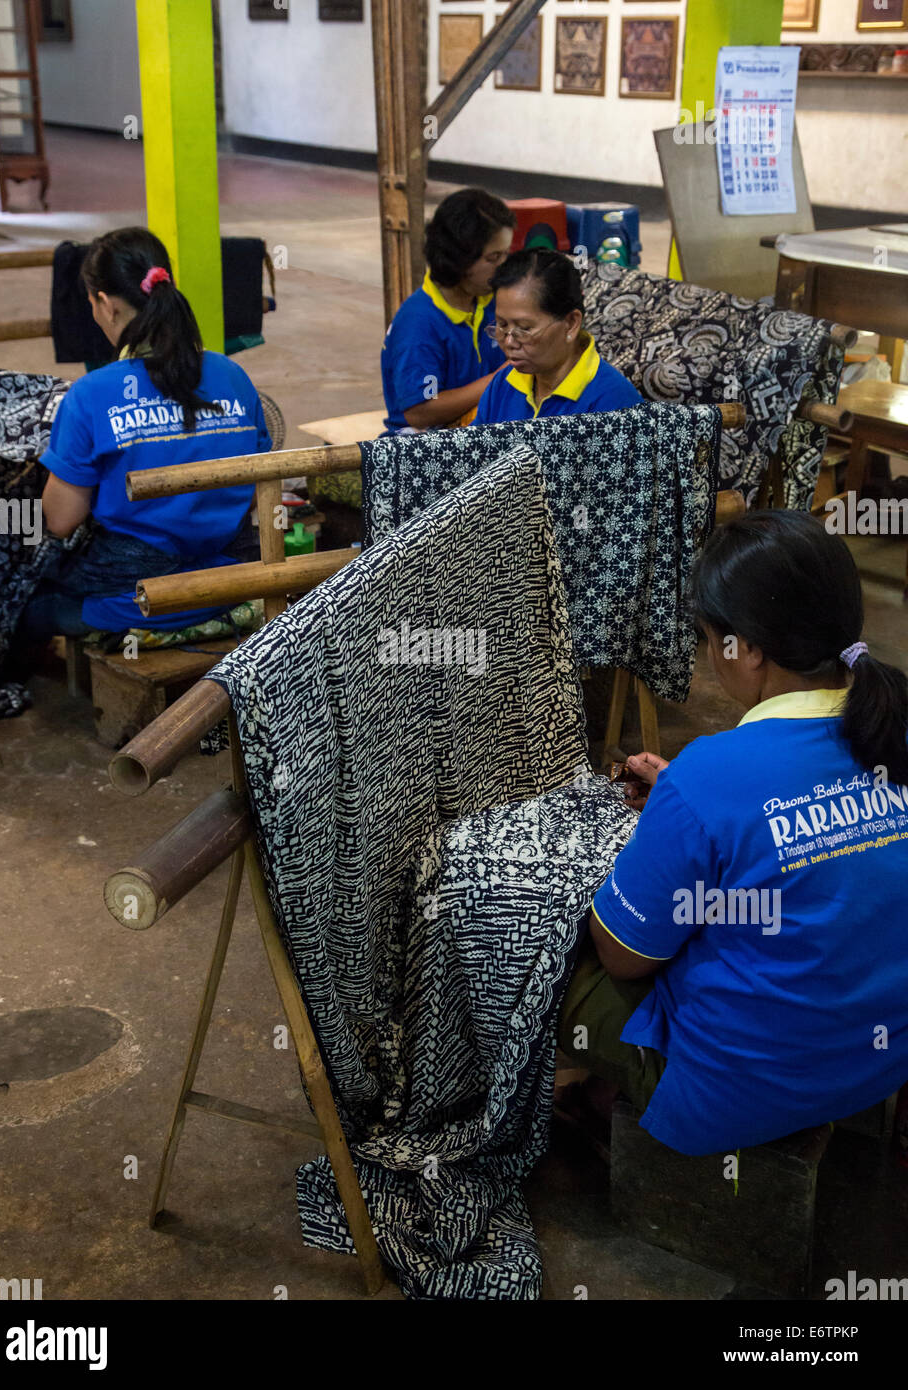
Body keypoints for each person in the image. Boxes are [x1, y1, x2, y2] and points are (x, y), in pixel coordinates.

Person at [557, 510, 908, 1156]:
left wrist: (667, 830)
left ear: (746, 648)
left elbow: (622, 956)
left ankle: (614, 1095)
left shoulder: (710, 776)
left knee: (550, 960)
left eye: (709, 638)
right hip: (877, 1060)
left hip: (741, 1093)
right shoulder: (893, 727)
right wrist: (685, 812)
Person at [17, 227, 271, 642]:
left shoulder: (90, 395)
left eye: (91, 303)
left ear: (105, 304)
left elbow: (60, 522)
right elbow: (260, 480)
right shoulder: (232, 375)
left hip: (142, 598)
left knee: (28, 600)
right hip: (229, 579)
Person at [380, 188, 514, 433]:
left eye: (507, 254)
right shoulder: (420, 323)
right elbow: (420, 412)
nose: (503, 267)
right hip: (424, 444)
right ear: (459, 259)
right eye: (493, 258)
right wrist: (500, 378)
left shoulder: (489, 300)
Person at [474, 248, 641, 424]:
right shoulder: (504, 384)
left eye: (523, 329)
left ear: (570, 324)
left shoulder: (613, 406)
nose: (509, 342)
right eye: (502, 325)